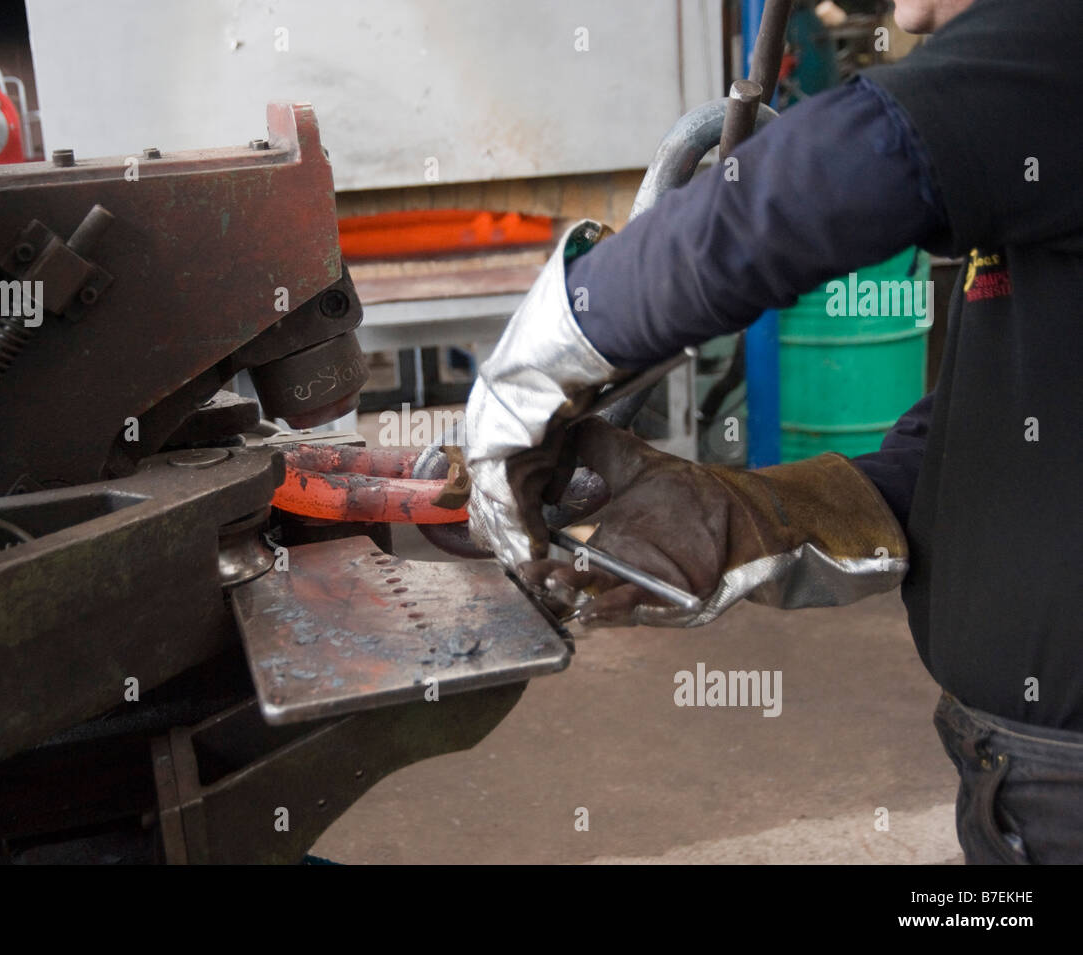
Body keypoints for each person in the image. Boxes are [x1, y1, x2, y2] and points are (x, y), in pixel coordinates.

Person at [464, 0, 1083, 864]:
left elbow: (837, 173)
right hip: (1015, 783)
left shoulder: (1058, 36)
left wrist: (541, 356)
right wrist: (756, 513)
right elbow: (997, 428)